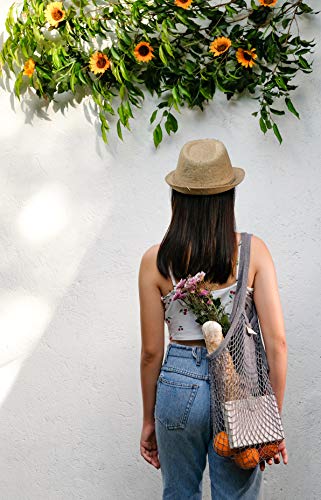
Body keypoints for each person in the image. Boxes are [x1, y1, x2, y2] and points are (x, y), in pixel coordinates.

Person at [138, 138, 288, 499]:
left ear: (177, 198)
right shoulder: (254, 252)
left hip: (178, 384)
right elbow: (277, 346)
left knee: (179, 493)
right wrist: (270, 422)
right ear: (227, 198)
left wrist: (147, 420)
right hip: (240, 384)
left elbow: (150, 353)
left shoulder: (155, 261)